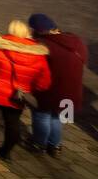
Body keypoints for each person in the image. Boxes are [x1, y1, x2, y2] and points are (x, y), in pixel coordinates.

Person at [0, 19, 52, 160]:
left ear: (10, 30)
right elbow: (44, 83)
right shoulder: (38, 54)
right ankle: (6, 152)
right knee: (13, 123)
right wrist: (30, 88)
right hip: (18, 95)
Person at [26, 14, 87, 157]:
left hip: (50, 89)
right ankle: (55, 146)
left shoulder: (43, 45)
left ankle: (39, 144)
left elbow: (37, 68)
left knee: (42, 115)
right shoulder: (76, 40)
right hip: (72, 90)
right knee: (58, 118)